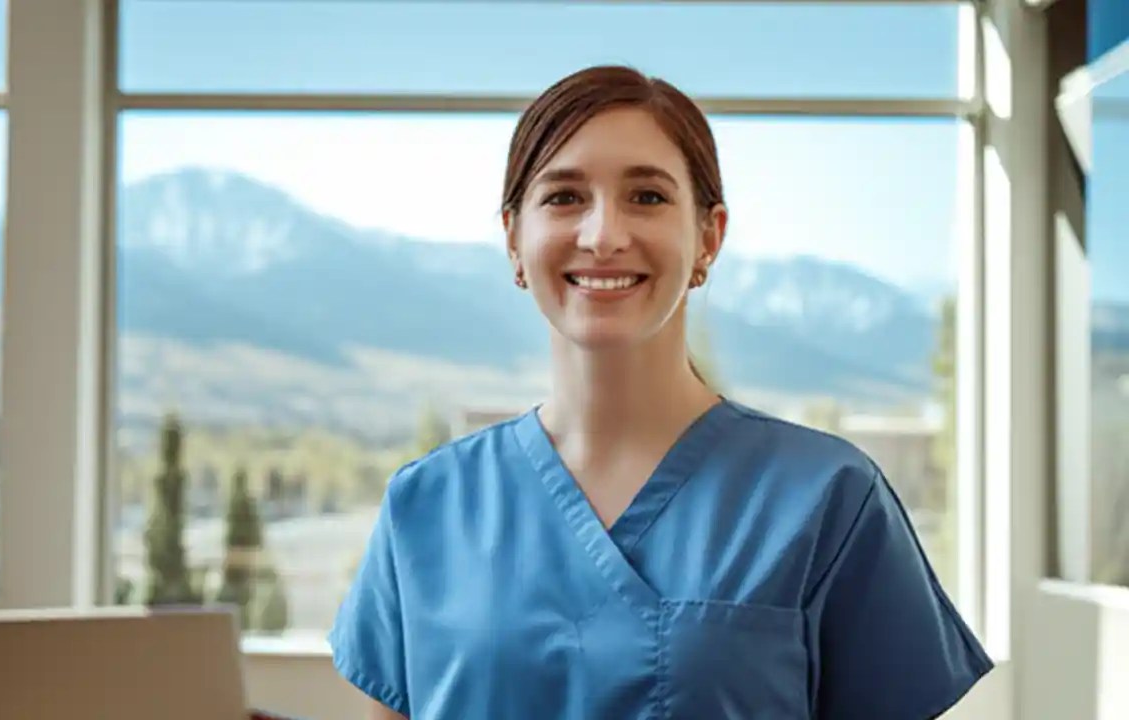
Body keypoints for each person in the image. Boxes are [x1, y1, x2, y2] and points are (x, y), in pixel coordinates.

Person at [327, 65, 993, 720]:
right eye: (563, 197)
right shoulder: (426, 506)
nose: (604, 235)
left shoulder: (827, 499)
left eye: (647, 197)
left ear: (709, 236)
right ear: (513, 238)